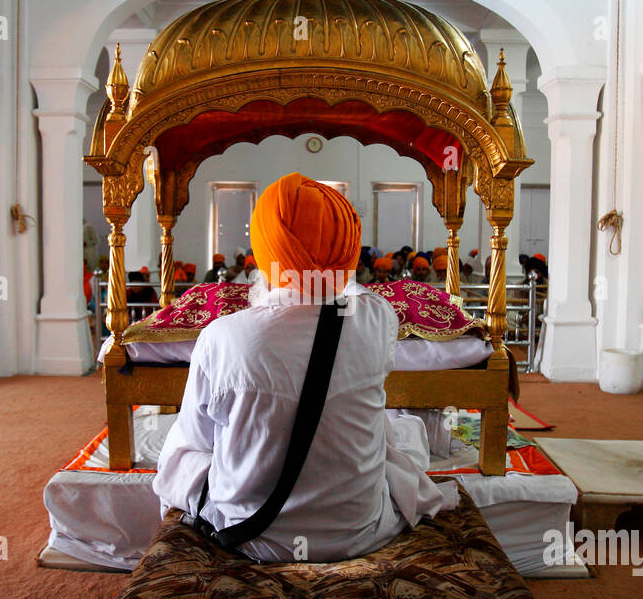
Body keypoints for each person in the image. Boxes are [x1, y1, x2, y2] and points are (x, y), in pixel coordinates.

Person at [153, 172, 452, 563]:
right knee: (401, 433)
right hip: (361, 534)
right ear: (349, 250)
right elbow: (350, 293)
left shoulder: (222, 336)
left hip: (251, 538)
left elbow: (195, 442)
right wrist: (327, 271)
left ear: (263, 250)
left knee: (183, 450)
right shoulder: (377, 319)